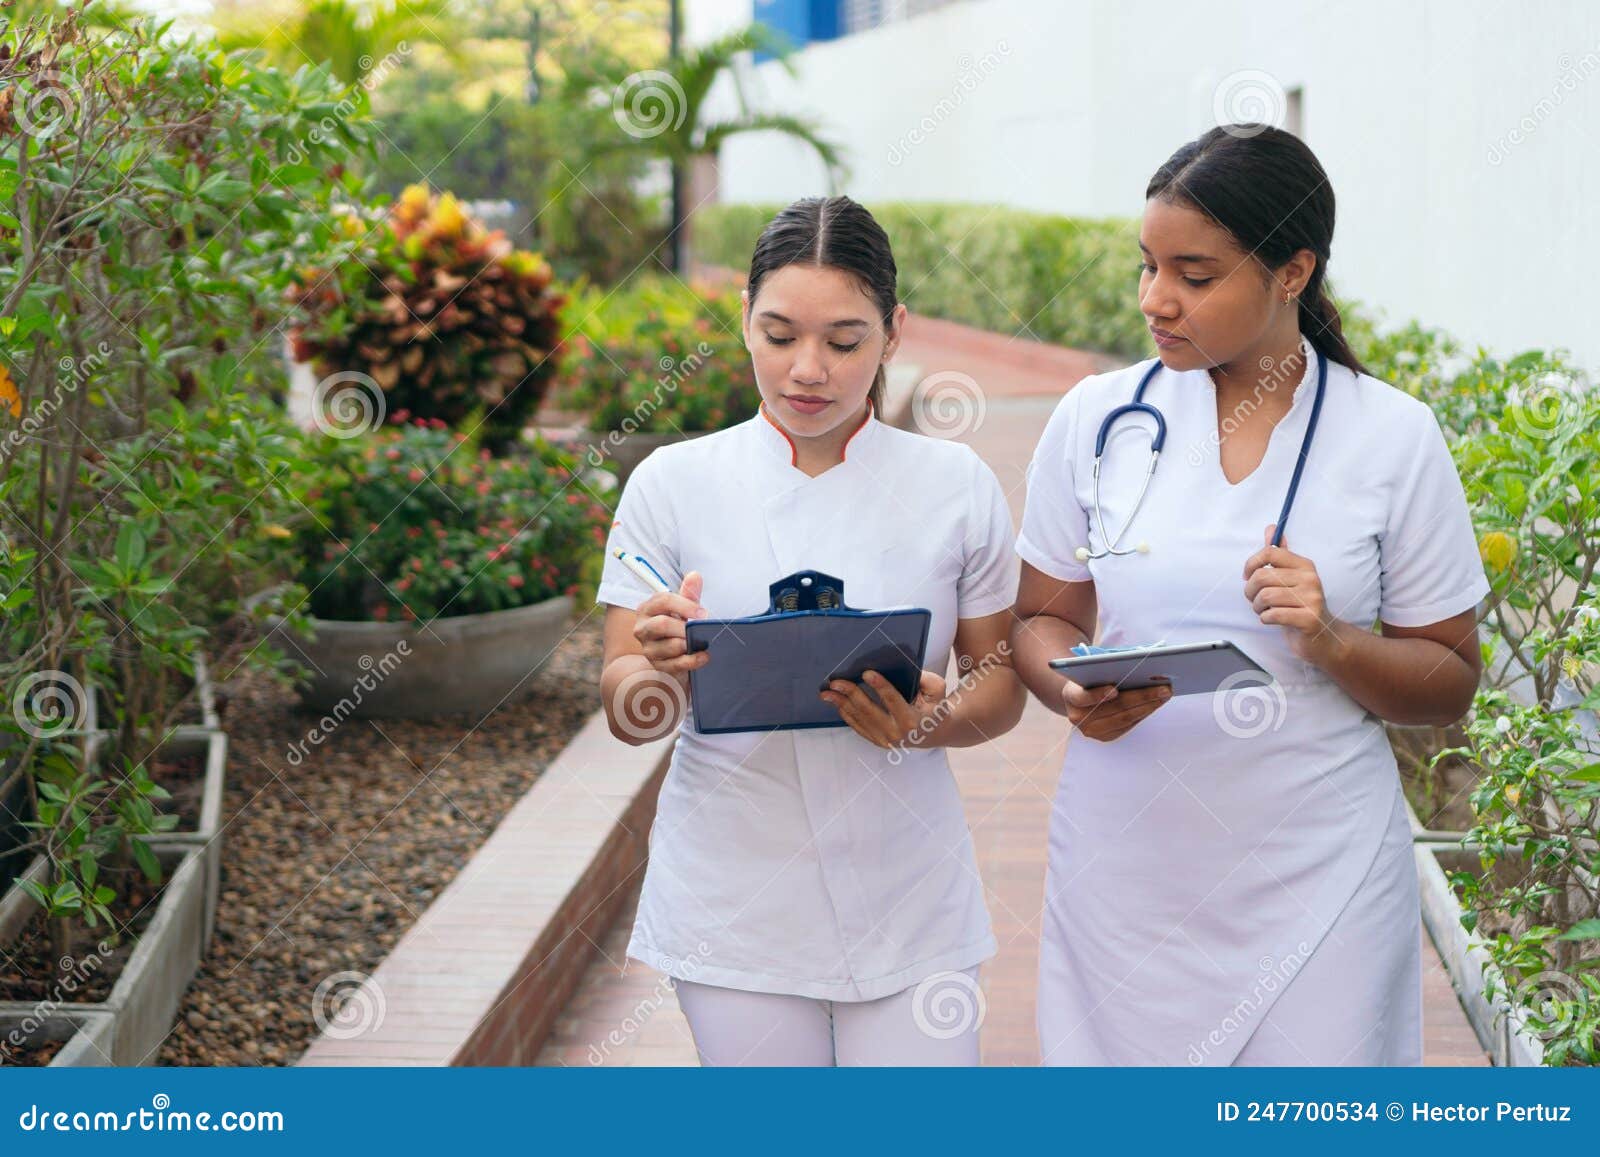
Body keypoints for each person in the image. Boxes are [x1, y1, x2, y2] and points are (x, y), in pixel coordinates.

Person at [1010, 125, 1490, 1066]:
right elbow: (1040, 618)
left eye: (1195, 275)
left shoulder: (1391, 436)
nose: (1157, 300)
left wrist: (1335, 639)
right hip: (1127, 870)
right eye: (1146, 267)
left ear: (1291, 273)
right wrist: (1068, 690)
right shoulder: (1098, 418)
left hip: (1321, 871)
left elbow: (1450, 679)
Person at [596, 195, 1026, 1066]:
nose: (808, 369)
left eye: (844, 341)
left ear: (894, 332)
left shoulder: (955, 484)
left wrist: (932, 718)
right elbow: (626, 709)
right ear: (744, 322)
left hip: (909, 883)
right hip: (735, 889)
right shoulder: (672, 485)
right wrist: (658, 669)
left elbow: (1002, 688)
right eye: (779, 333)